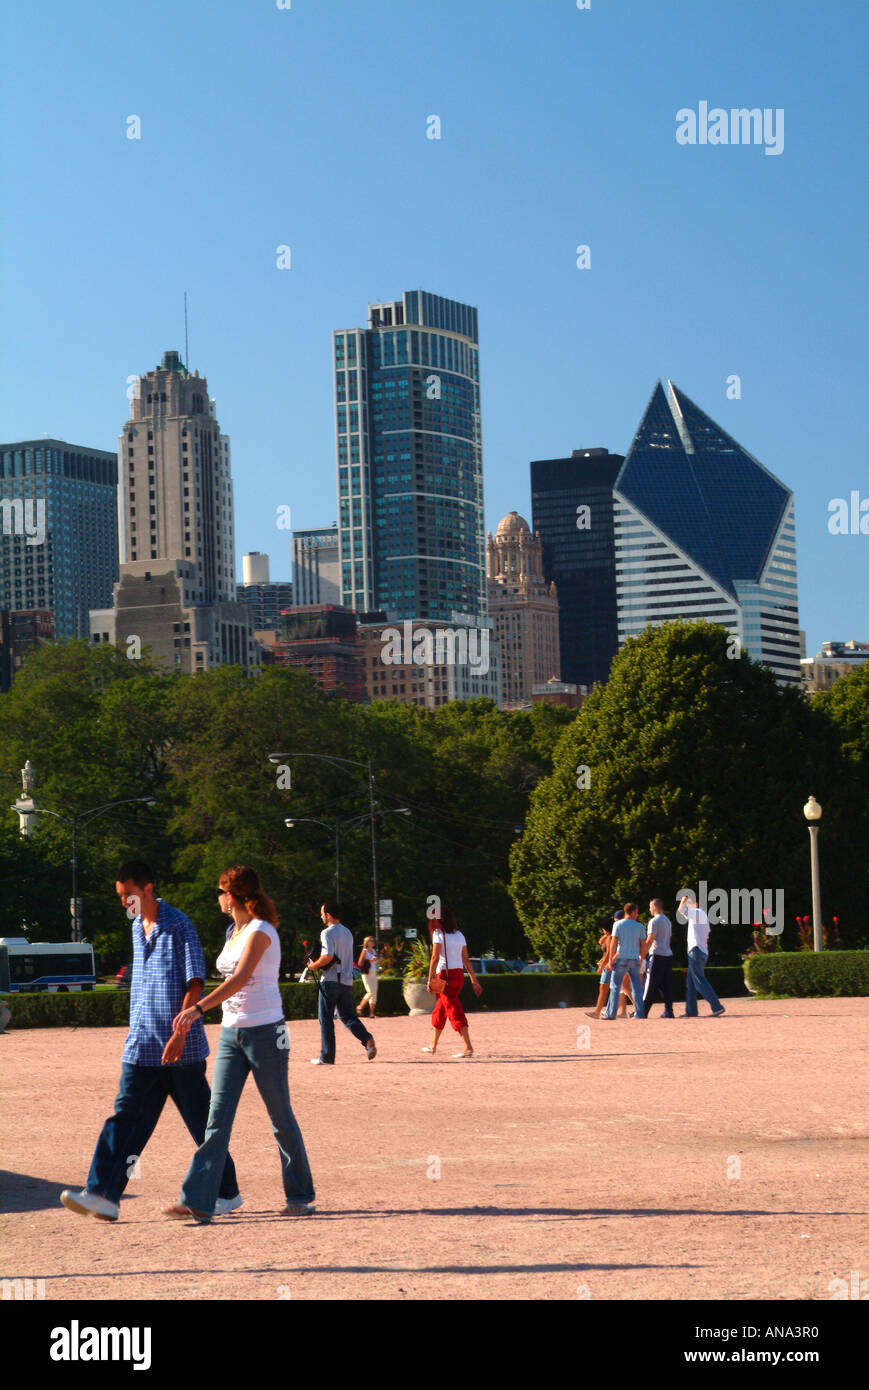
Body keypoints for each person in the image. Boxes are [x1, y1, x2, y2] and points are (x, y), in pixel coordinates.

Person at [60, 861, 241, 1223]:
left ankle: (226, 1191)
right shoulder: (134, 926)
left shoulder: (179, 925)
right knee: (126, 1118)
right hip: (142, 1046)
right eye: (120, 896)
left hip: (180, 1048)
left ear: (147, 889)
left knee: (201, 1123)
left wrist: (179, 1032)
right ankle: (103, 1195)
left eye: (128, 894)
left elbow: (195, 982)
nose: (124, 901)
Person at [165, 865, 315, 1223]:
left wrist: (198, 1009)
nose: (217, 898)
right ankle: (199, 1198)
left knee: (280, 1117)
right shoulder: (234, 930)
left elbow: (242, 977)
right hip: (233, 1033)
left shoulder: (262, 931)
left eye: (219, 892)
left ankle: (300, 1195)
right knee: (216, 1119)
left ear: (230, 895)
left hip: (267, 1033)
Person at [309, 901, 377, 1065]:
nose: (321, 916)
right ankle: (366, 1039)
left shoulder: (326, 933)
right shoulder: (348, 933)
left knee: (325, 1019)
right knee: (347, 1016)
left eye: (322, 913)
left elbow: (328, 956)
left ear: (328, 915)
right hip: (347, 981)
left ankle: (327, 1057)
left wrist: (313, 965)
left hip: (331, 981)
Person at [422, 905, 482, 1058]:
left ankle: (468, 1047)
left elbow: (435, 958)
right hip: (458, 975)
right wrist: (474, 980)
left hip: (444, 975)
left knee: (454, 1010)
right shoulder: (459, 935)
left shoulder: (438, 934)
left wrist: (429, 979)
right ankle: (433, 1045)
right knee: (440, 1010)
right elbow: (466, 960)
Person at [678, 894, 726, 1017]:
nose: (687, 906)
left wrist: (683, 901)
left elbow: (681, 910)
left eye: (689, 904)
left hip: (696, 951)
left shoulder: (697, 913)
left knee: (699, 981)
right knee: (691, 983)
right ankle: (691, 1011)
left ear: (696, 904)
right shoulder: (702, 915)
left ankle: (717, 1006)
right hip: (701, 951)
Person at [602, 903, 647, 1020]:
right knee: (637, 987)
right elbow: (644, 944)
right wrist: (641, 956)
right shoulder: (640, 926)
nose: (637, 915)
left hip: (622, 957)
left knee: (615, 985)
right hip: (635, 958)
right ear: (632, 912)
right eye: (636, 912)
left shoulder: (617, 924)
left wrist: (611, 960)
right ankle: (640, 1013)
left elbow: (614, 942)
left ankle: (610, 1013)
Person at [643, 897, 674, 1017]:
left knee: (650, 984)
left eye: (650, 906)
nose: (649, 909)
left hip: (657, 955)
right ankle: (669, 1011)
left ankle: (642, 1011)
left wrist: (642, 955)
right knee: (666, 985)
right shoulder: (667, 921)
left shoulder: (654, 921)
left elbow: (650, 939)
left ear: (654, 907)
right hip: (667, 955)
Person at [356, 935, 379, 1020]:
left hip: (373, 973)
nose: (373, 941)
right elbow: (360, 963)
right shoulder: (364, 950)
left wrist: (377, 961)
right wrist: (370, 960)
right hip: (366, 974)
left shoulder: (373, 950)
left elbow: (374, 961)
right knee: (370, 992)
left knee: (374, 994)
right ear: (367, 942)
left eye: (373, 940)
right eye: (371, 940)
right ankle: (360, 1006)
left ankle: (372, 1013)